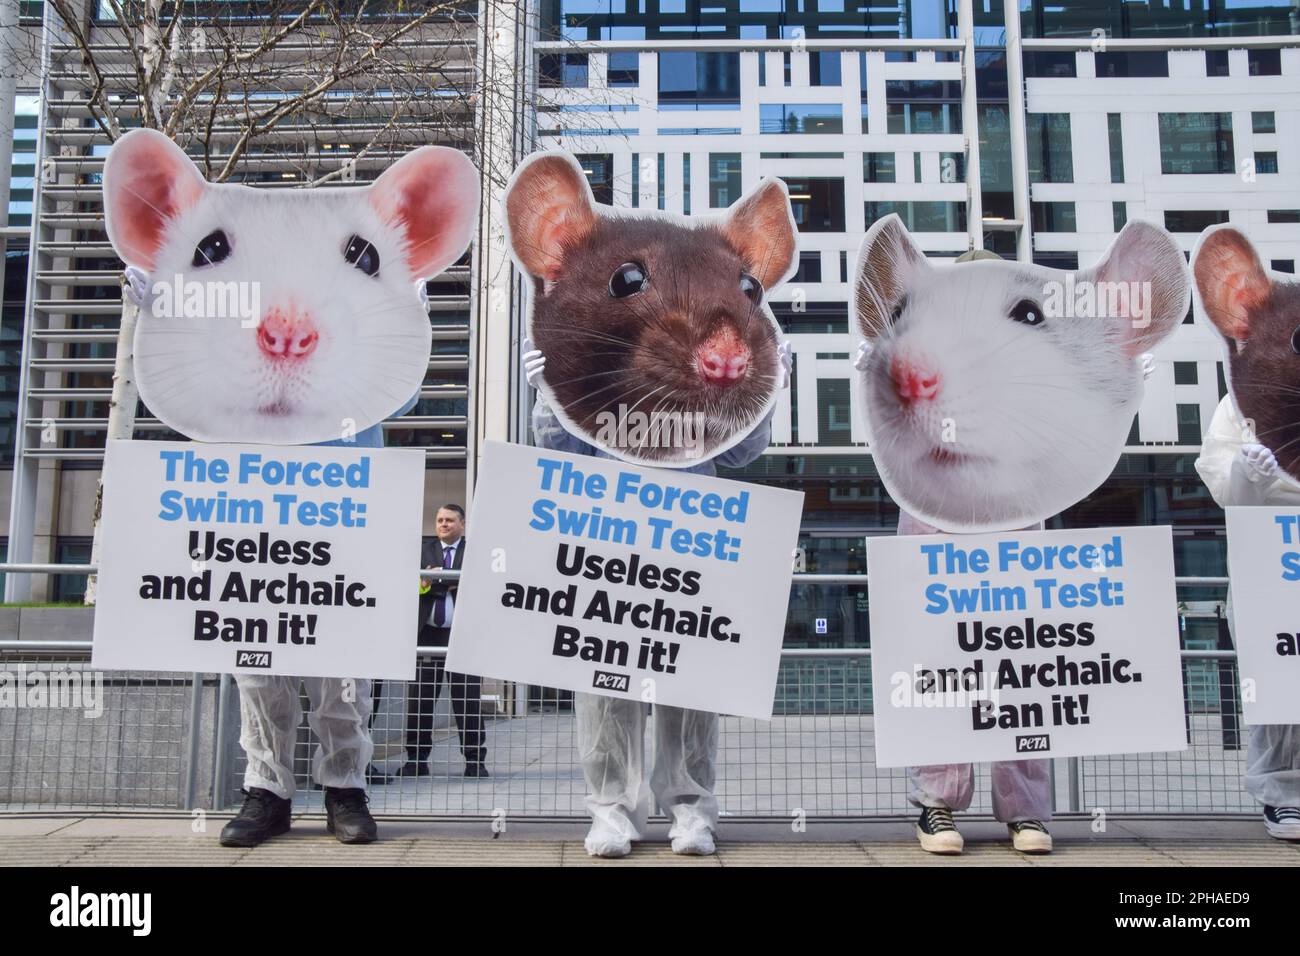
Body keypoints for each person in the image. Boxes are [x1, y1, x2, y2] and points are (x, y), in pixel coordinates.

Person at [524, 337, 790, 858]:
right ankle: (610, 810)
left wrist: (767, 390)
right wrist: (548, 393)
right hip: (613, 542)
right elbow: (562, 449)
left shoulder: (705, 362)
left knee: (691, 688)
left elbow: (740, 449)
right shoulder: (603, 357)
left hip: (692, 540)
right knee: (605, 683)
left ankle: (691, 808)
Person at [218, 406, 414, 848]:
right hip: (254, 501)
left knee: (342, 672)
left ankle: (345, 788)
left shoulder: (363, 337)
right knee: (257, 669)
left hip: (344, 504)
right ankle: (267, 791)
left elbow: (400, 390)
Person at [1195, 394, 1300, 840]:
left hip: (1271, 552)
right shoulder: (1246, 396)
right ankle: (1285, 793)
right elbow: (1231, 497)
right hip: (1271, 557)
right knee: (1280, 677)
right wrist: (1247, 474)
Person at [400, 503, 489, 778]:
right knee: (421, 700)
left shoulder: (475, 552)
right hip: (428, 634)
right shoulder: (423, 550)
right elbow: (413, 583)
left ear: (462, 524)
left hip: (461, 636)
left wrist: (436, 580)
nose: (443, 525)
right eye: (439, 520)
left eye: (449, 520)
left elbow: (480, 582)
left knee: (467, 700)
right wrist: (443, 582)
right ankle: (416, 759)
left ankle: (475, 761)